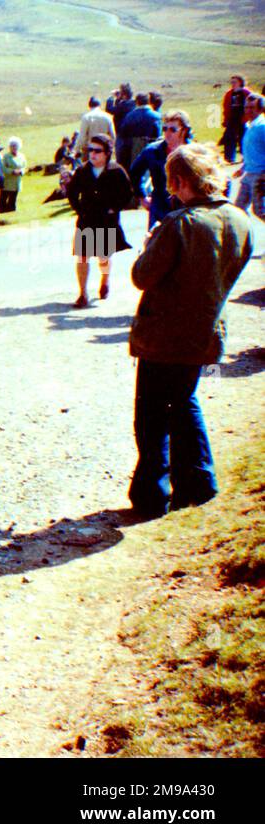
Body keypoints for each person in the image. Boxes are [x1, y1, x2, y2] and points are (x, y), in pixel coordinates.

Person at [127, 144, 253, 517]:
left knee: (151, 414)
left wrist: (149, 246)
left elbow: (142, 276)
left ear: (180, 180)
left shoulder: (181, 224)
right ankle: (198, 482)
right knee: (184, 402)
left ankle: (152, 494)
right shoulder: (237, 219)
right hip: (206, 334)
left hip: (162, 337)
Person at [66, 134, 132, 308]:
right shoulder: (82, 171)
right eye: (90, 150)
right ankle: (82, 293)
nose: (92, 154)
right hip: (86, 219)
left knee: (103, 257)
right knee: (82, 256)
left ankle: (105, 281)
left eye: (97, 151)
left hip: (106, 220)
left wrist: (114, 208)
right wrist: (79, 209)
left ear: (107, 153)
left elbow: (127, 194)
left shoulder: (116, 171)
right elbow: (72, 192)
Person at [130, 109, 192, 230]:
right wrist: (142, 196)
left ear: (184, 130)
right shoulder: (152, 151)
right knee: (155, 245)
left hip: (188, 209)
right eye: (165, 129)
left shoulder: (195, 152)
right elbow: (134, 172)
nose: (167, 133)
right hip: (160, 207)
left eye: (173, 129)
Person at [231, 94, 264, 223]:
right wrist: (243, 168)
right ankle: (244, 237)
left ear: (261, 109)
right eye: (246, 108)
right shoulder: (249, 126)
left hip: (260, 175)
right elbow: (253, 151)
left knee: (260, 211)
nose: (248, 111)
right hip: (249, 174)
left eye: (252, 108)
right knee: (238, 210)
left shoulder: (262, 127)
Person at [118, 92, 161, 172]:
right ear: (148, 101)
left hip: (132, 150)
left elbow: (123, 134)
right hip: (150, 149)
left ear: (136, 102)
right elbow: (158, 135)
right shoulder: (156, 116)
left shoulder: (129, 116)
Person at [221, 75, 254, 164]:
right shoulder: (229, 93)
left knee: (244, 138)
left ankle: (246, 157)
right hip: (232, 118)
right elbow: (225, 107)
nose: (232, 84)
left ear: (240, 82)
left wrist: (247, 118)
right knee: (229, 138)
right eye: (231, 82)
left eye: (234, 82)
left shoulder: (246, 92)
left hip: (243, 118)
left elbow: (252, 105)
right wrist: (225, 119)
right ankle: (229, 158)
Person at [0, 137, 26, 213]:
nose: (14, 147)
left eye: (15, 145)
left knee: (13, 199)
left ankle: (11, 212)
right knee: (3, 199)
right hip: (7, 183)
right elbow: (3, 168)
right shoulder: (6, 157)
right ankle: (1, 213)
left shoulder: (21, 156)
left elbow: (24, 166)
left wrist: (21, 171)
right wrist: (12, 171)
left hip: (17, 182)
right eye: (12, 145)